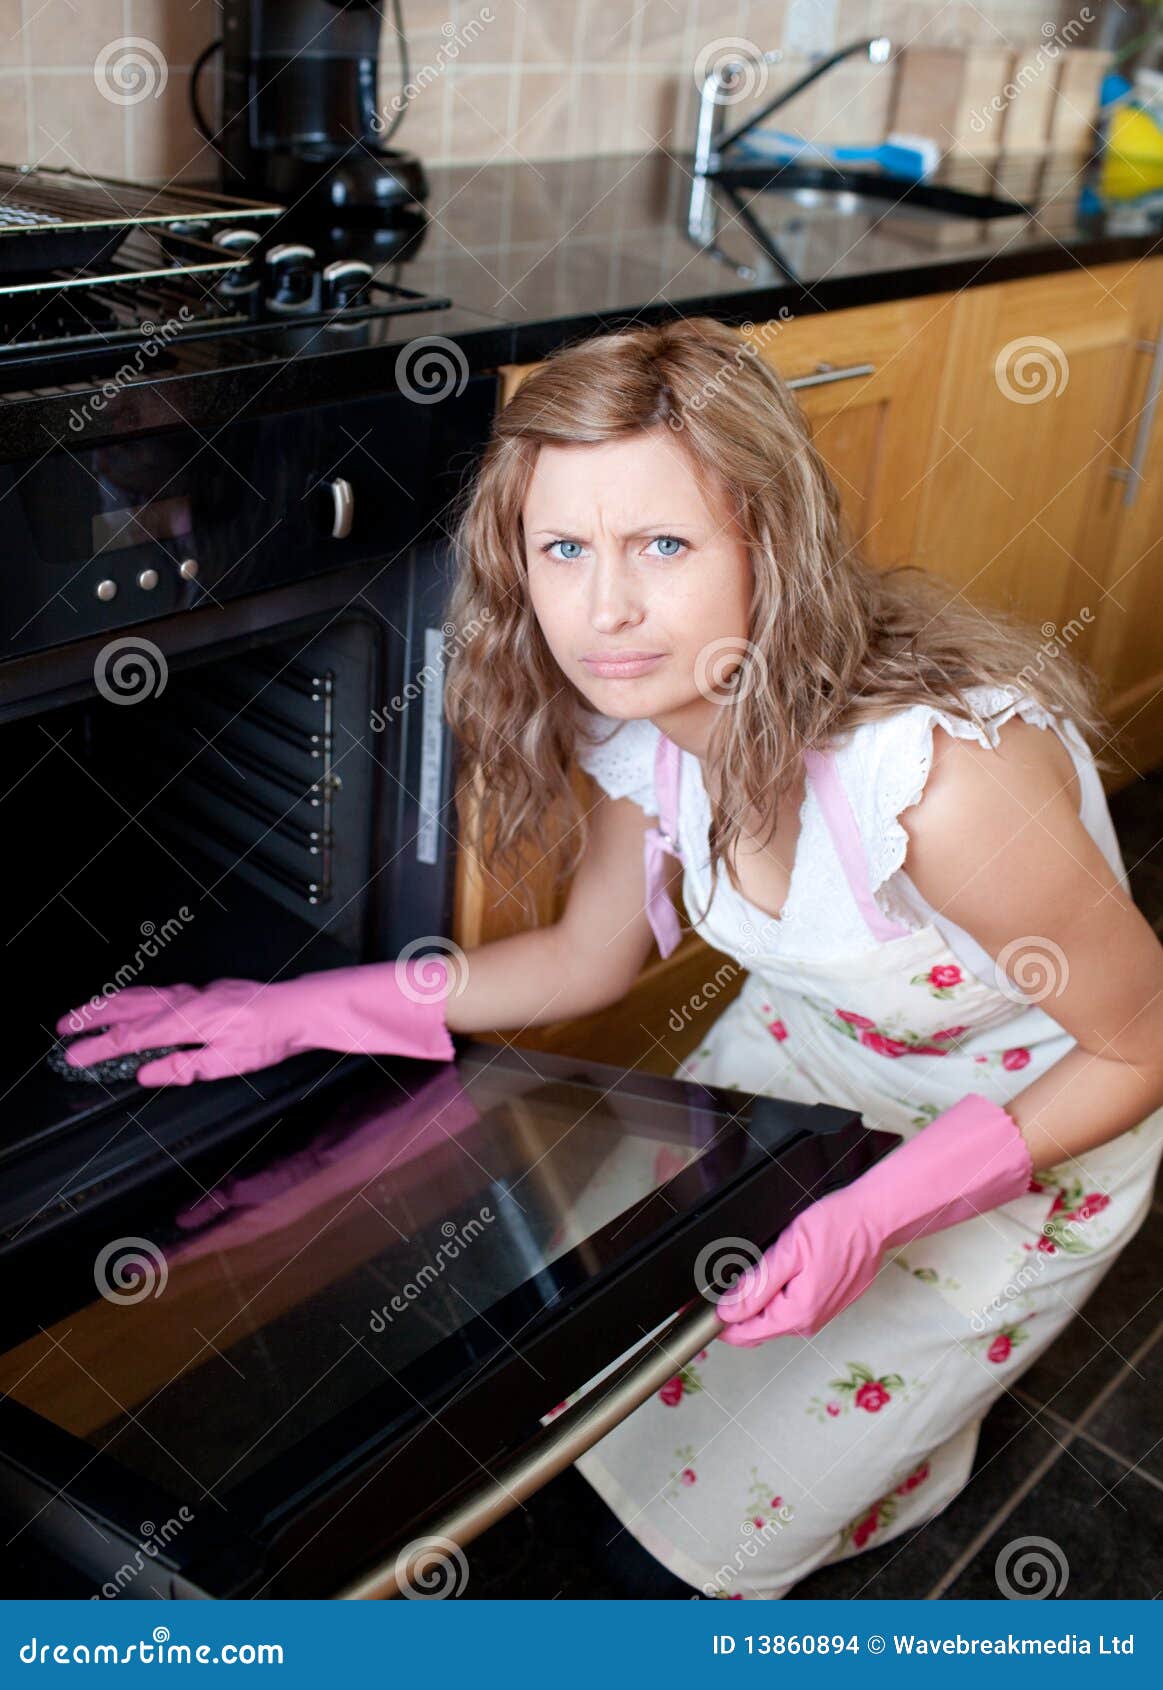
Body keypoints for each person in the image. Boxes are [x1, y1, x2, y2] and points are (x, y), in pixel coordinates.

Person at [58, 317, 1163, 1601]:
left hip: (1028, 1118)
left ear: (772, 543)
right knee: (619, 1390)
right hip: (808, 1056)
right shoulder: (655, 718)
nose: (606, 609)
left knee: (712, 1529)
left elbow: (1137, 1041)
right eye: (563, 549)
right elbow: (590, 956)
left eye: (663, 545)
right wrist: (299, 1008)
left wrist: (875, 1211)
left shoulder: (941, 782)